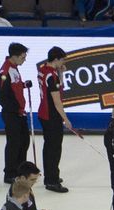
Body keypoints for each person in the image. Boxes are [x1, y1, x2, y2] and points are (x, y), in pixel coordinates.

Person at [37, 47, 72, 193]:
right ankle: (52, 181)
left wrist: (61, 73)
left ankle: (51, 176)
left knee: (50, 147)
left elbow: (58, 87)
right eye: (62, 59)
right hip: (51, 116)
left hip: (44, 114)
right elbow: (57, 101)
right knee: (54, 149)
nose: (63, 62)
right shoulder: (51, 76)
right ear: (56, 59)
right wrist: (66, 119)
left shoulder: (43, 69)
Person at [0, 43, 30, 184]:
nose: (24, 60)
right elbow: (2, 97)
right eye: (23, 57)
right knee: (14, 143)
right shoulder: (4, 72)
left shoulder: (14, 68)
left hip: (19, 113)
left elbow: (15, 87)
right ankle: (9, 173)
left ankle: (20, 170)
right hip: (12, 114)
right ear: (14, 56)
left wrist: (24, 85)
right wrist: (15, 109)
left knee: (24, 141)